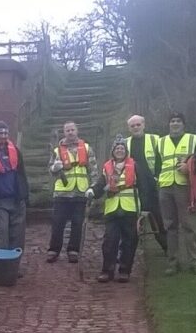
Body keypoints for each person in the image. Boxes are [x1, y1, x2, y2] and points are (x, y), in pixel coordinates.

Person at [157, 113, 196, 275]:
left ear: (184, 124)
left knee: (189, 225)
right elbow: (158, 165)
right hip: (165, 187)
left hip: (185, 187)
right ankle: (173, 262)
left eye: (178, 121)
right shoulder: (161, 142)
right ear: (168, 124)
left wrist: (190, 168)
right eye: (172, 121)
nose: (175, 124)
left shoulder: (193, 139)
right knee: (170, 226)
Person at [46, 121, 98, 263]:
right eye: (67, 130)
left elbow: (93, 169)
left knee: (77, 223)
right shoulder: (56, 151)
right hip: (62, 193)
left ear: (77, 131)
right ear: (64, 132)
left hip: (81, 192)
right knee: (58, 223)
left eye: (72, 130)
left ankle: (73, 250)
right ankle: (54, 250)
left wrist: (93, 187)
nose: (70, 132)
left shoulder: (87, 148)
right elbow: (50, 170)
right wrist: (55, 168)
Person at [96, 137, 140, 283]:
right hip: (112, 209)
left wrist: (146, 206)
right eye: (117, 148)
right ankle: (107, 270)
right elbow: (100, 184)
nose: (119, 150)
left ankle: (124, 270)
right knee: (110, 240)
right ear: (113, 152)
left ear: (126, 151)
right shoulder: (107, 167)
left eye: (122, 148)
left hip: (130, 207)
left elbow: (143, 185)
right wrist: (92, 191)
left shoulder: (135, 165)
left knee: (129, 240)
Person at [125, 114, 168, 253]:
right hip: (133, 186)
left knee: (158, 217)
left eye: (138, 124)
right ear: (129, 128)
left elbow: (162, 158)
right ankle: (131, 251)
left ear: (143, 125)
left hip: (152, 185)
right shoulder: (125, 143)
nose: (136, 127)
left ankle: (167, 248)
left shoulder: (155, 139)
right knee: (133, 219)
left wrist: (157, 176)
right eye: (132, 126)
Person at [0, 121, 29, 257]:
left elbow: (22, 173)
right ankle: (1, 264)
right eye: (0, 133)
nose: (3, 136)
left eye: (6, 133)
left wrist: (25, 194)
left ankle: (15, 264)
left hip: (16, 198)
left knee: (18, 234)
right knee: (1, 233)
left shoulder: (15, 150)